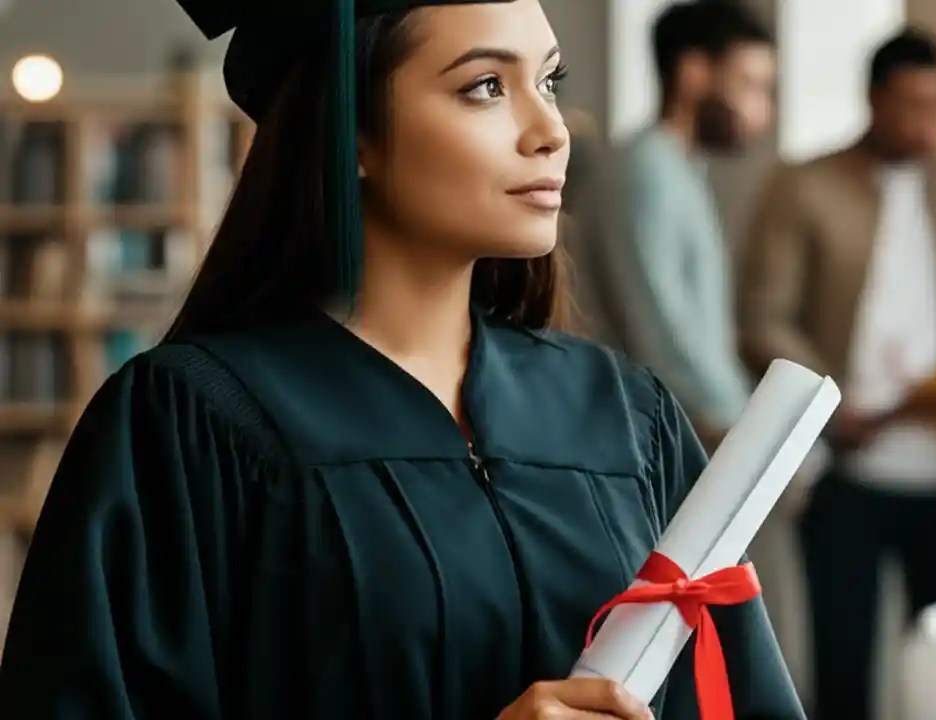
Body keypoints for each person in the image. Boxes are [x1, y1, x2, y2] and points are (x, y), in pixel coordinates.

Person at [0, 2, 805, 718]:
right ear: (352, 137)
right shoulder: (193, 425)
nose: (550, 129)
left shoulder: (625, 416)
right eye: (486, 86)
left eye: (550, 80)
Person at [738, 27, 936, 720]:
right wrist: (831, 404)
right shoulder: (804, 186)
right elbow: (763, 314)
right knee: (843, 664)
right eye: (913, 104)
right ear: (875, 99)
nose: (929, 122)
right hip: (847, 464)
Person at [602, 0, 776, 449]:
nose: (763, 110)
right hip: (660, 438)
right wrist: (739, 427)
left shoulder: (680, 169)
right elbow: (663, 327)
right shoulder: (649, 172)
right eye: (749, 84)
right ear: (694, 73)